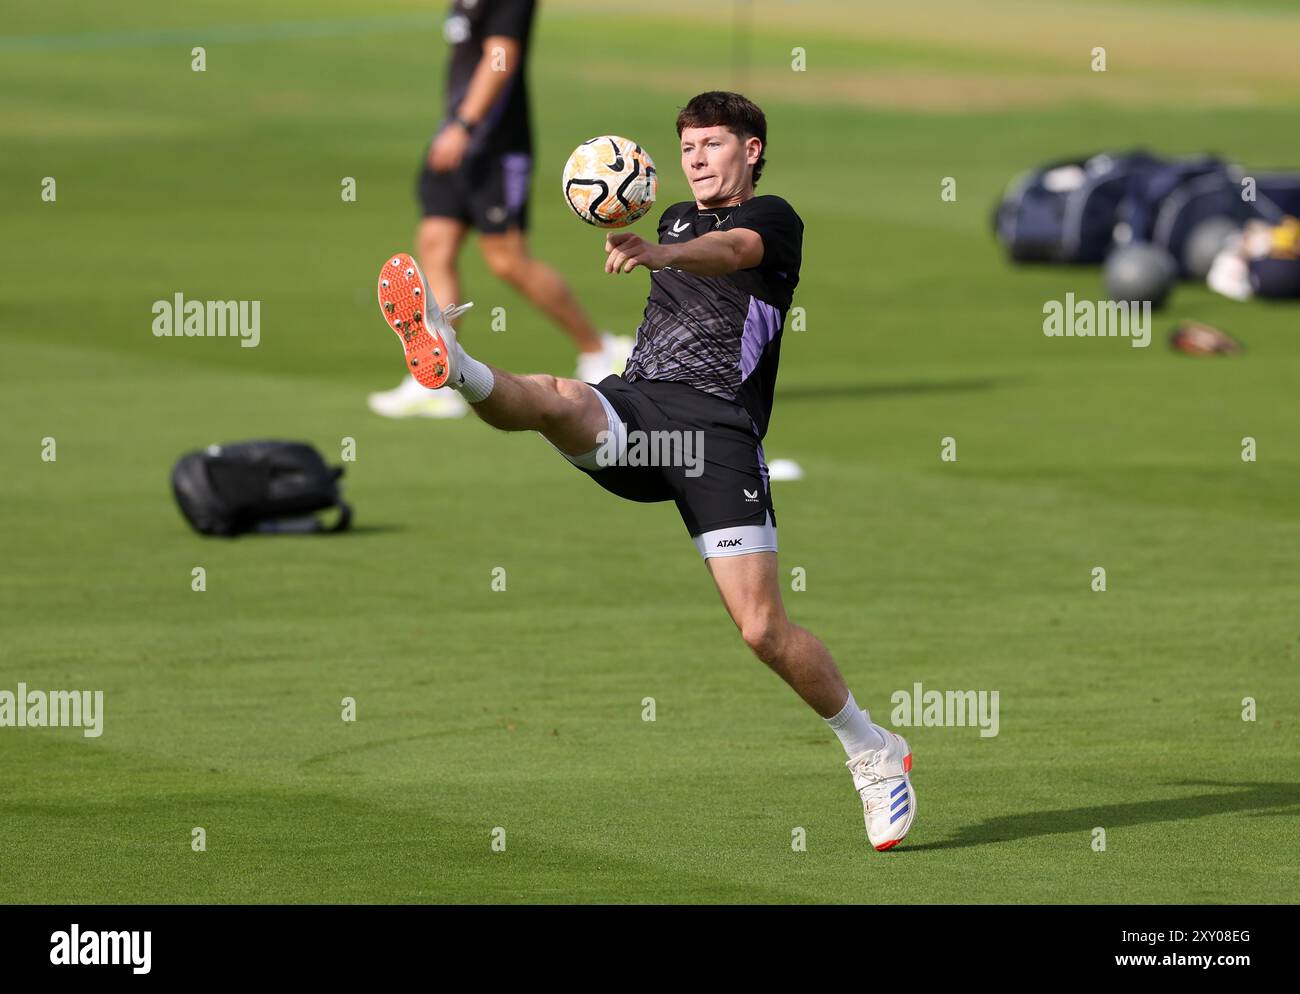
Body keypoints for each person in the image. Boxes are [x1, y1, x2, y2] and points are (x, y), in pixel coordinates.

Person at [374, 91, 916, 851]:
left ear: (751, 151)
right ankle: (453, 362)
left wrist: (658, 253)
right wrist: (651, 238)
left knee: (762, 630)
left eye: (713, 145)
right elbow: (687, 243)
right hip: (642, 410)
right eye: (687, 147)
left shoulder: (774, 219)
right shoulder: (672, 218)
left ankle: (872, 748)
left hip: (718, 433)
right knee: (557, 400)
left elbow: (731, 255)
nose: (695, 159)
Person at [368, 0, 628, 420]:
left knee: (507, 261)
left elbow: (500, 59)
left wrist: (464, 125)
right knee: (435, 244)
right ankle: (438, 375)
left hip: (494, 145)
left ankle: (599, 349)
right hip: (455, 138)